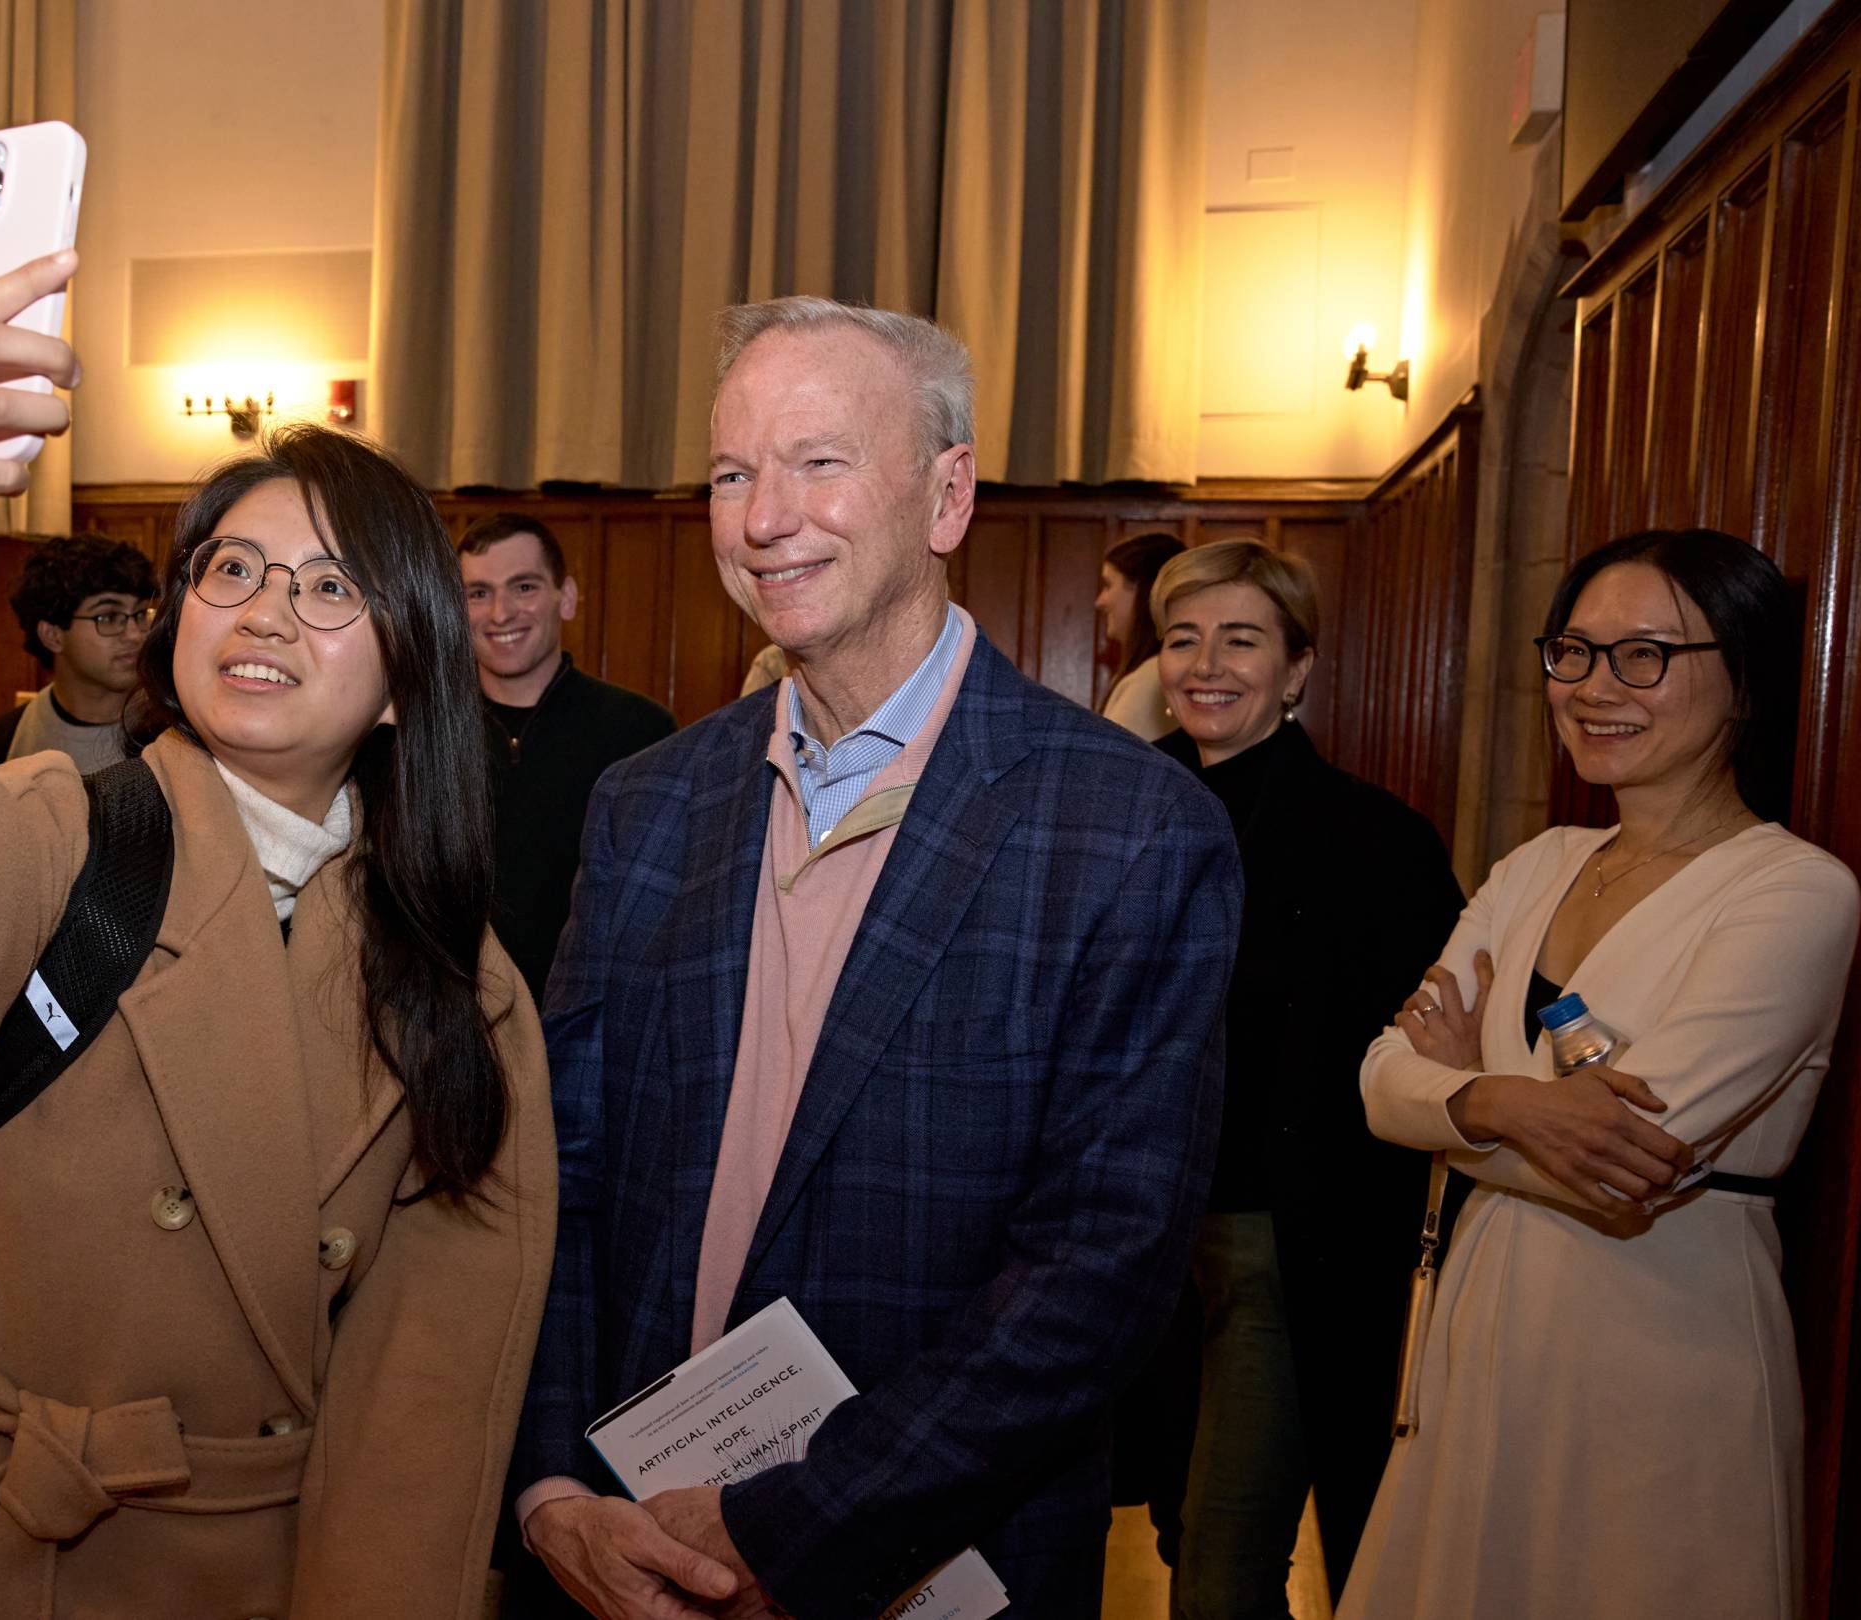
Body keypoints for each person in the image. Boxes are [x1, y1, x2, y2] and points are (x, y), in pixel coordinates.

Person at [0, 251, 557, 1618]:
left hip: (254, 1569)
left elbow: (423, 1421)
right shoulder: (62, 837)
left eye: (333, 590)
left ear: (406, 683)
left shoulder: (462, 987)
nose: (269, 610)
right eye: (234, 570)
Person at [511, 294, 1240, 1620]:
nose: (765, 517)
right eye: (734, 475)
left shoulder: (1130, 828)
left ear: (946, 497)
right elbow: (563, 1180)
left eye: (819, 463)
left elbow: (1100, 1269)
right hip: (636, 1553)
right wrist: (557, 1492)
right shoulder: (647, 806)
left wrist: (791, 1524)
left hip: (939, 1562)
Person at [1343, 529, 1858, 1620]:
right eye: (1572, 653)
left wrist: (1448, 1103)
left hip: (1665, 1340)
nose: (1591, 687)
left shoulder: (1793, 893)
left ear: (1747, 682)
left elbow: (1632, 1164)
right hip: (1481, 1322)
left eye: (1644, 656)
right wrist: (1499, 1102)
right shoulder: (1537, 864)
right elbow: (1379, 1081)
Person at [1148, 540, 1462, 1616]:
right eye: (1182, 639)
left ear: (1298, 668)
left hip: (1278, 1247)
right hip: (1134, 1244)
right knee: (1174, 1523)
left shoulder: (1375, 840)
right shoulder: (1121, 813)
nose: (1206, 664)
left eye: (1241, 639)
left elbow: (1421, 1053)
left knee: (1219, 1569)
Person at [458, 512, 674, 994]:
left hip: (588, 1023)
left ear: (567, 597)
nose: (499, 613)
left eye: (524, 587)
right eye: (478, 593)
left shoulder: (641, 733)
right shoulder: (421, 732)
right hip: (451, 1024)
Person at [0, 532, 158, 770]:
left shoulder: (181, 736)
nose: (135, 635)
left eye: (140, 614)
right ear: (52, 635)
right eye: (108, 617)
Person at [1098, 531, 1184, 737]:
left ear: (1142, 590)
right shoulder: (1154, 674)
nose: (1100, 601)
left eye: (1108, 585)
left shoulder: (1152, 680)